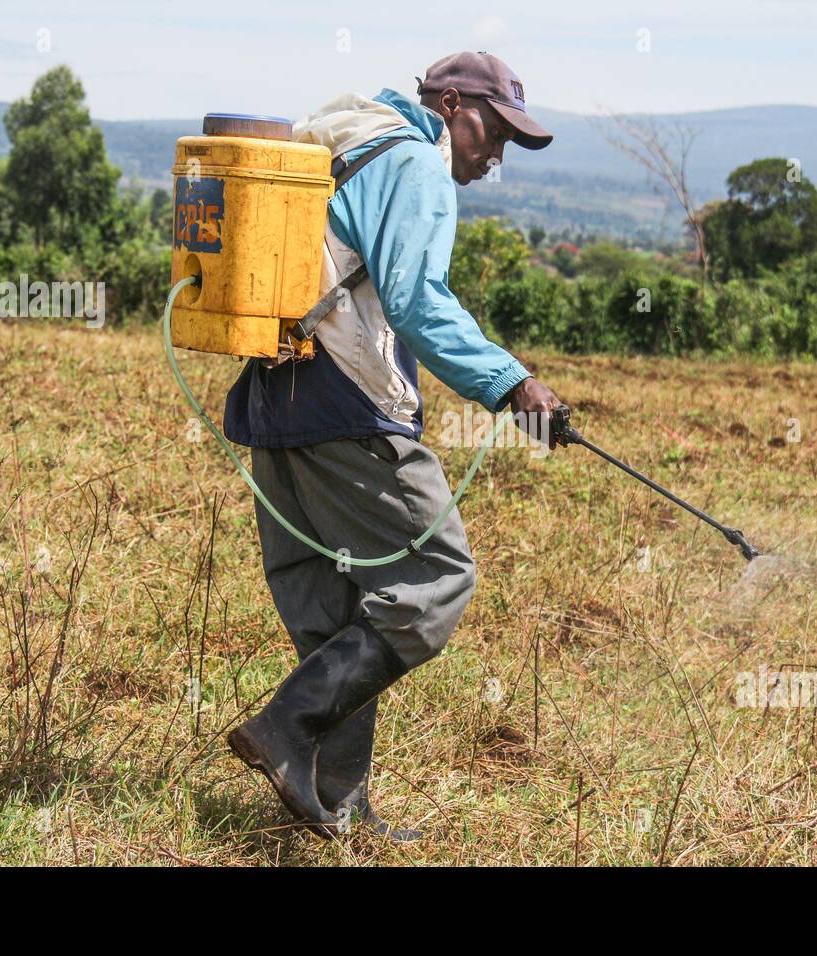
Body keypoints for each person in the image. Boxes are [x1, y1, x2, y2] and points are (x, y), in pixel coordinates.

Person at [223, 51, 565, 841]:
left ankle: (337, 803)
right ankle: (284, 729)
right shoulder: (415, 163)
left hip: (275, 396)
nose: (494, 154)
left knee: (336, 610)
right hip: (346, 401)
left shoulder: (347, 138)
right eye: (492, 130)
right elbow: (414, 299)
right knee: (439, 575)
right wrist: (512, 385)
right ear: (450, 105)